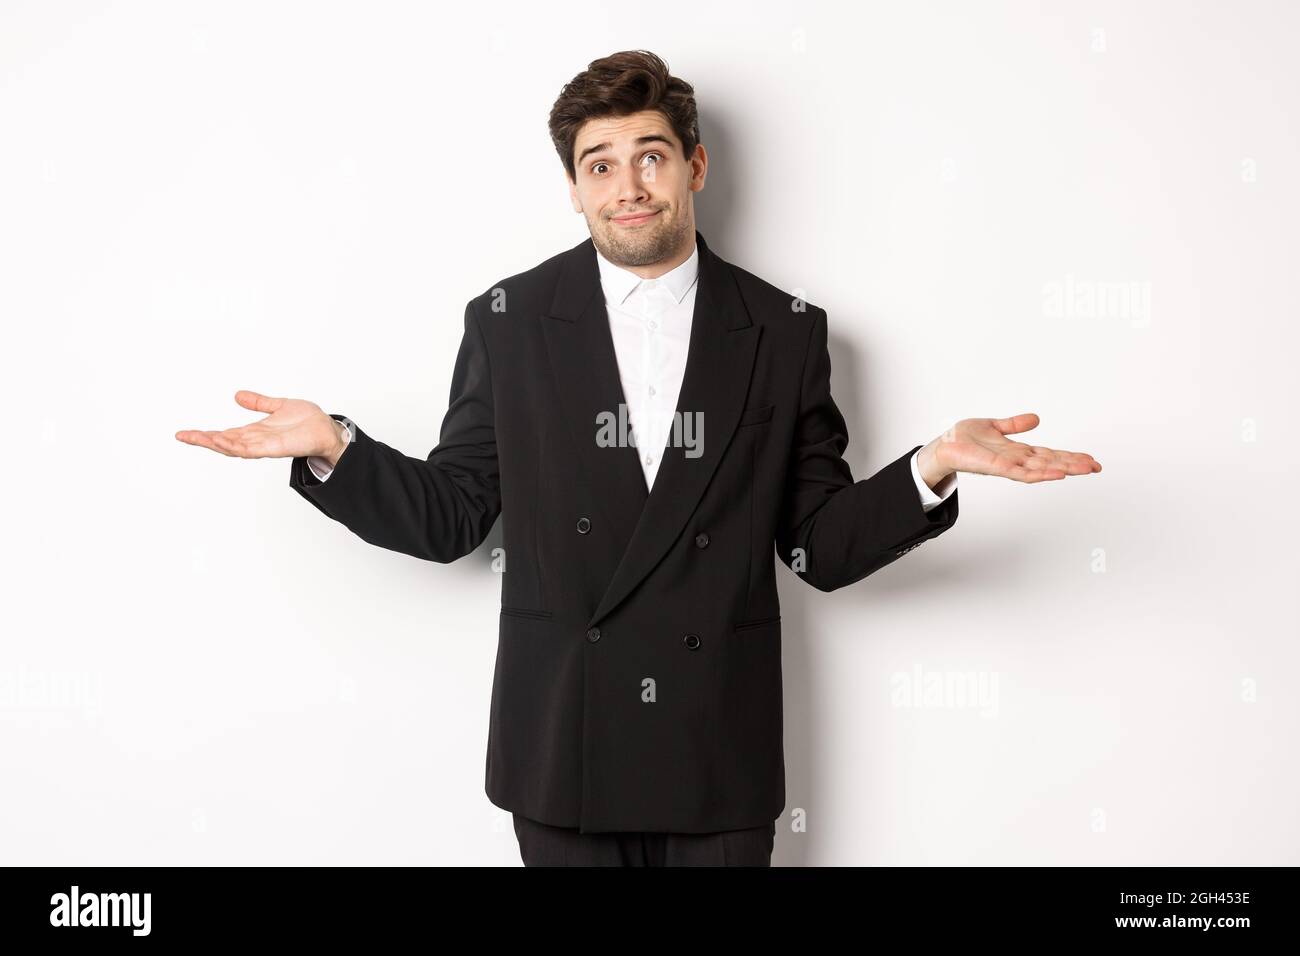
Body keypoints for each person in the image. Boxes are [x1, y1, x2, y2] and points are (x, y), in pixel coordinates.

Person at [176, 50, 1101, 867]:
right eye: (601, 164)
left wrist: (929, 466)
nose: (629, 185)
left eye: (651, 156)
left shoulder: (783, 332)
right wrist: (339, 447)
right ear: (574, 188)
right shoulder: (510, 320)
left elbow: (819, 547)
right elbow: (456, 516)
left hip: (717, 756)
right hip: (564, 746)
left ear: (694, 167)